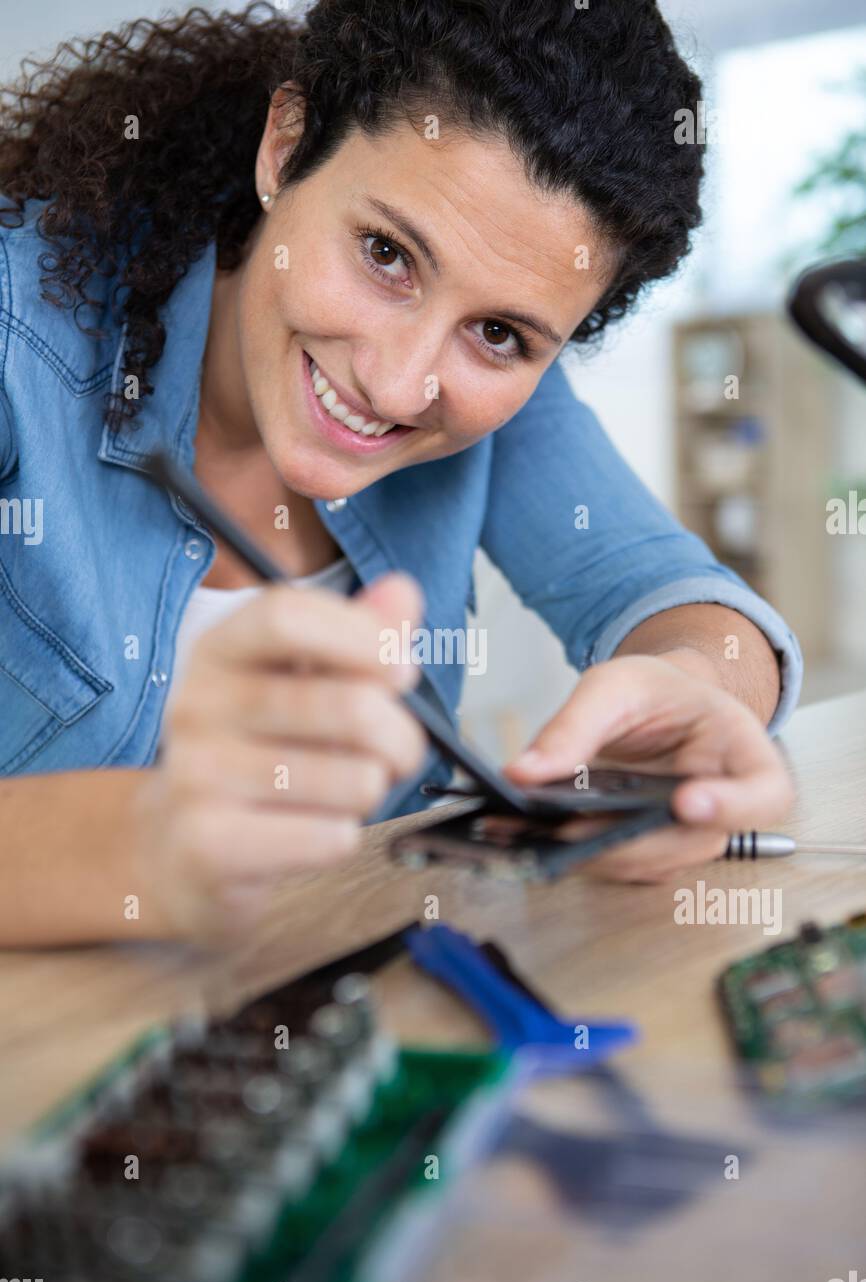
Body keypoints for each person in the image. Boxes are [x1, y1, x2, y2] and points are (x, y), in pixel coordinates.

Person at [0, 1, 799, 945]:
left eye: (500, 334)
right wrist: (148, 841)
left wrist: (699, 688)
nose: (399, 381)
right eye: (387, 255)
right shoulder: (20, 334)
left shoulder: (499, 402)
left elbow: (667, 588)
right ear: (286, 148)